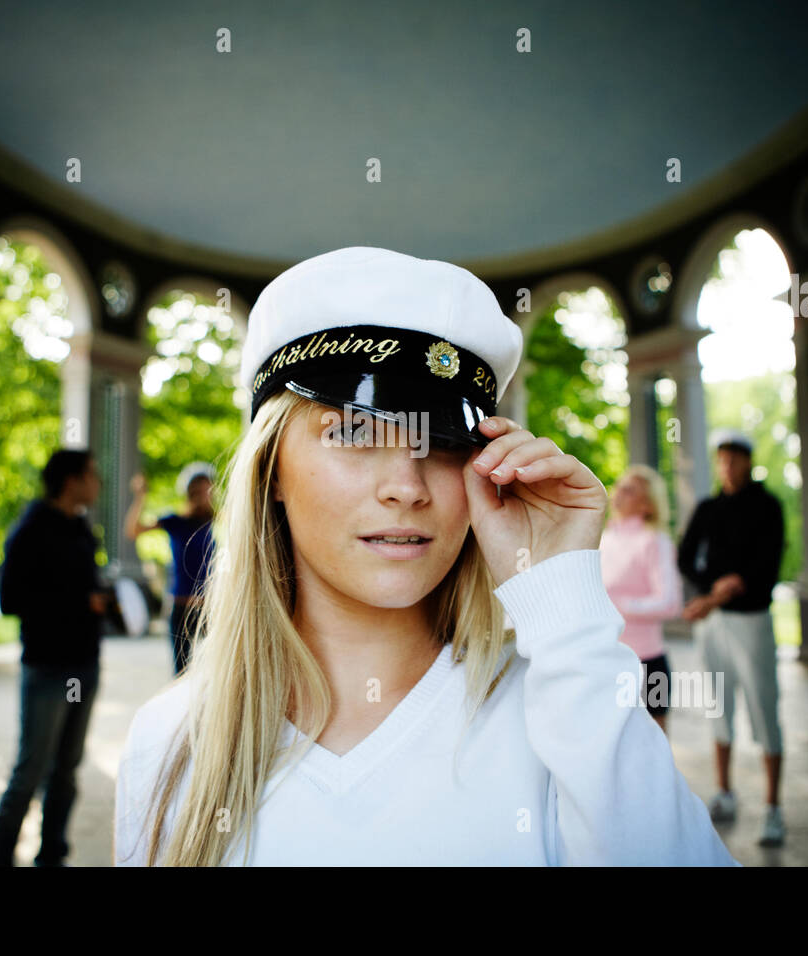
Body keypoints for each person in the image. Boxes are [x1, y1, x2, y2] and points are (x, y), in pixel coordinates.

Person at [113, 246, 737, 866]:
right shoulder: (167, 743)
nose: (407, 487)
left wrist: (560, 600)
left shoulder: (560, 715)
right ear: (272, 467)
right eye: (354, 431)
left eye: (441, 441)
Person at [0, 449, 111, 867]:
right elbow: (9, 599)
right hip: (48, 667)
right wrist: (79, 601)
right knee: (29, 771)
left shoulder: (81, 528)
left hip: (84, 665)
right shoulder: (31, 530)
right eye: (92, 474)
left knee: (67, 770)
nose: (98, 482)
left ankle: (51, 854)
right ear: (70, 480)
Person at [676, 428, 786, 848]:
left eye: (735, 458)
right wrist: (710, 590)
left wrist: (732, 586)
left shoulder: (768, 506)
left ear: (747, 461)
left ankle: (774, 808)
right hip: (712, 622)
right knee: (718, 705)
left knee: (763, 705)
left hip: (750, 620)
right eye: (722, 458)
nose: (727, 465)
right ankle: (725, 793)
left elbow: (768, 565)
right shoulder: (708, 508)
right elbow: (686, 556)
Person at [601, 465, 683, 735]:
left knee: (654, 754)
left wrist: (619, 604)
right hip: (606, 660)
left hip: (647, 665)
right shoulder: (604, 538)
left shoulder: (655, 541)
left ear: (647, 505)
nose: (618, 493)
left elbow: (669, 603)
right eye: (619, 486)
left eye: (630, 489)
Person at [124, 463, 216, 676]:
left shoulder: (210, 521)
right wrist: (140, 498)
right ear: (189, 492)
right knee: (181, 673)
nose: (204, 495)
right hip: (181, 607)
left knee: (215, 672)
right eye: (199, 490)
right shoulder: (175, 521)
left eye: (207, 489)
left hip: (207, 608)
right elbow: (133, 530)